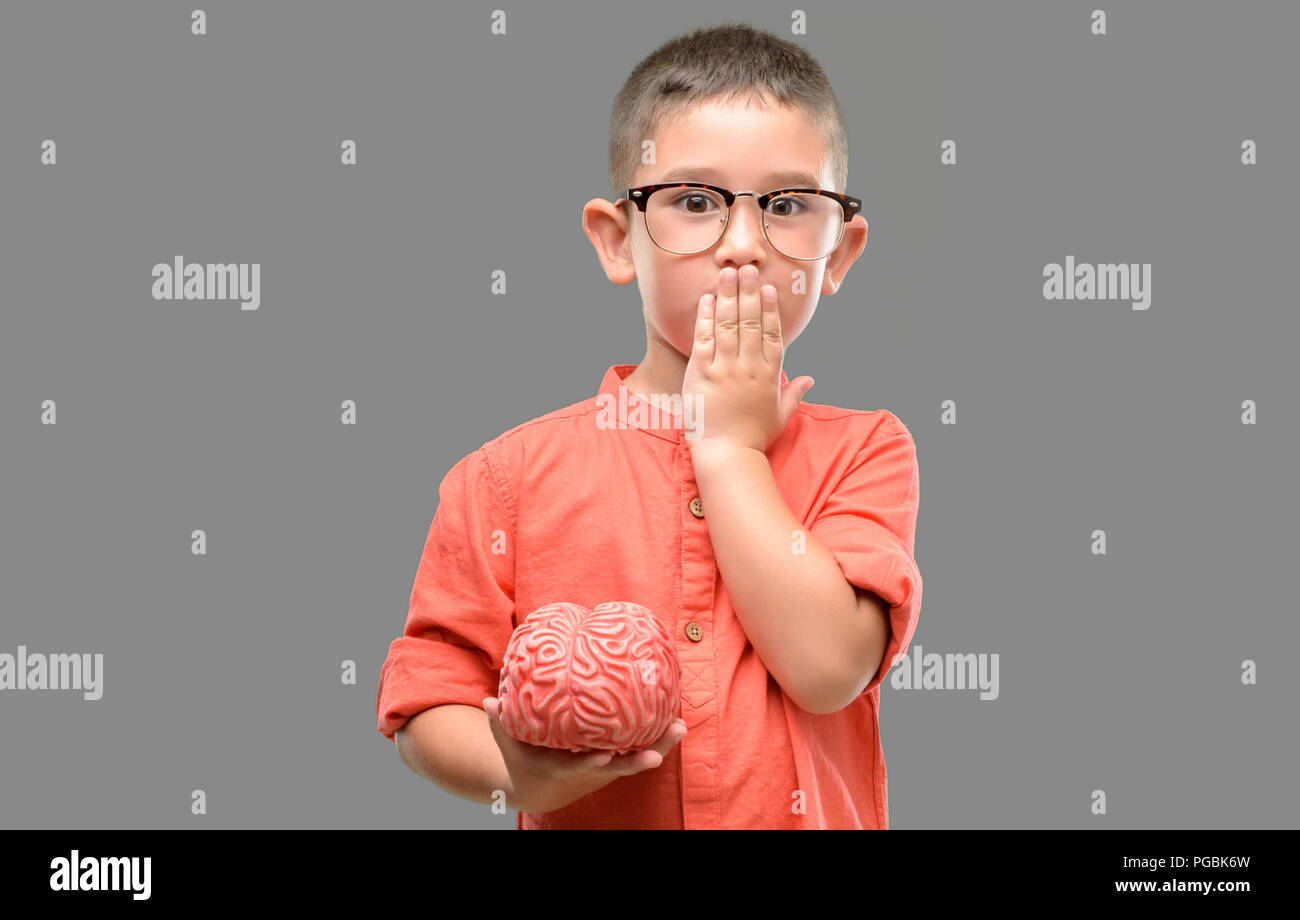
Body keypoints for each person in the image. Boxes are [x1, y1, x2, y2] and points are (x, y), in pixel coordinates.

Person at [375, 22, 922, 829]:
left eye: (788, 204)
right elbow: (428, 698)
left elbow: (827, 668)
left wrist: (728, 447)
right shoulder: (505, 477)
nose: (742, 244)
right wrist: (514, 774)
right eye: (695, 201)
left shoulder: (867, 450)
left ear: (838, 254)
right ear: (616, 239)